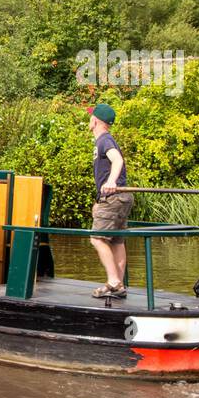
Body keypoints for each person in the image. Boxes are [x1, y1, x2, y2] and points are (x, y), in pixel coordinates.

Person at [87, 102, 133, 299]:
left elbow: (118, 160)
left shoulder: (105, 140)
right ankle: (118, 285)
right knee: (116, 241)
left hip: (113, 197)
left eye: (91, 117)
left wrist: (111, 181)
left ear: (96, 120)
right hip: (121, 198)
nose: (89, 119)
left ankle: (113, 280)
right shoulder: (104, 140)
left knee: (97, 238)